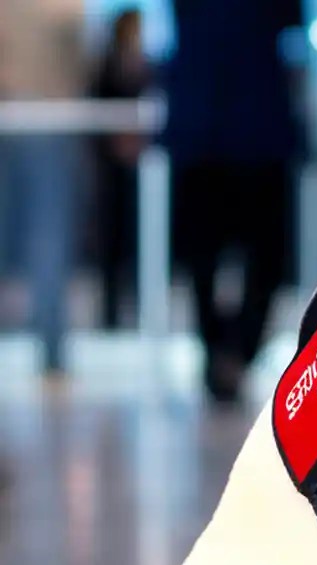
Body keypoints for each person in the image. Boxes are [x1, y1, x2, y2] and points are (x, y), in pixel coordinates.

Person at [164, 0, 305, 403]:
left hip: (227, 128)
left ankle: (229, 352)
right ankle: (230, 352)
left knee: (225, 260)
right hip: (246, 127)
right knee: (225, 260)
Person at [0, 0, 86, 377]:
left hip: (27, 113)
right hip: (49, 117)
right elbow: (82, 60)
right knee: (48, 235)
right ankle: (51, 351)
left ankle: (52, 348)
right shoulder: (65, 8)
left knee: (43, 238)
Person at [90, 8, 151, 329]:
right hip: (111, 171)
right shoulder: (106, 66)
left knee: (140, 241)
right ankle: (112, 315)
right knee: (113, 242)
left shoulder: (148, 66)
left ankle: (139, 311)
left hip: (142, 171)